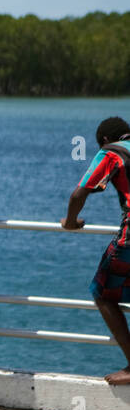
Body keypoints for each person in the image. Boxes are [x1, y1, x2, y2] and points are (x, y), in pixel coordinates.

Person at [62, 116, 130, 385]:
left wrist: (70, 222)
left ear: (104, 140)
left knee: (101, 293)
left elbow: (80, 193)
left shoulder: (111, 152)